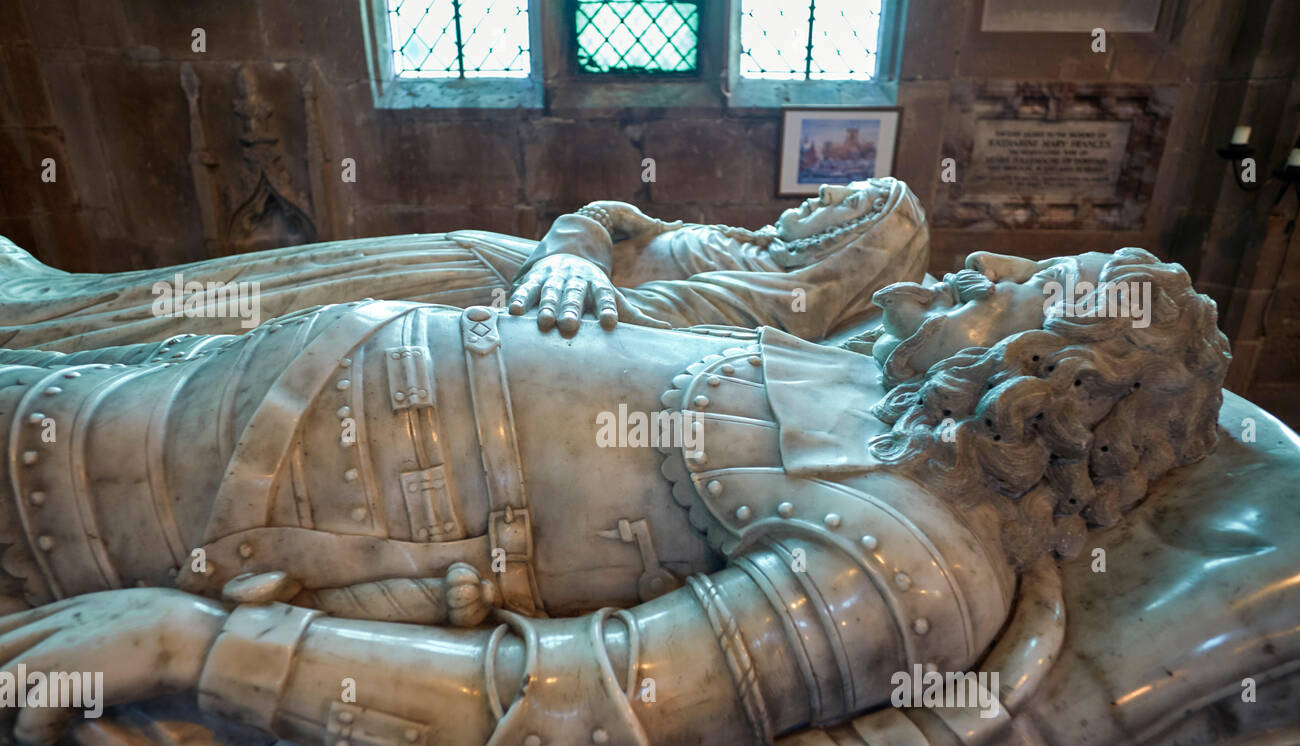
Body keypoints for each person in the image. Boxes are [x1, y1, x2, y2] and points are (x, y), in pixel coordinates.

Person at [0, 247, 1229, 746]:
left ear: (1048, 389)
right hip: (216, 387)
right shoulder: (879, 376)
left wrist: (195, 644)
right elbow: (674, 305)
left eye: (1010, 289)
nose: (969, 272)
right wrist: (586, 261)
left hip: (177, 518)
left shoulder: (909, 568)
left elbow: (566, 721)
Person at [0, 178, 926, 351]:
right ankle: (54, 307)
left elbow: (663, 336)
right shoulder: (738, 241)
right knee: (266, 286)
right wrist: (577, 254)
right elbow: (602, 212)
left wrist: (589, 279)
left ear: (857, 246)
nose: (817, 204)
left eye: (846, 209)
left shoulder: (773, 297)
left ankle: (56, 342)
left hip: (475, 307)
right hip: (482, 261)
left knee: (249, 321)